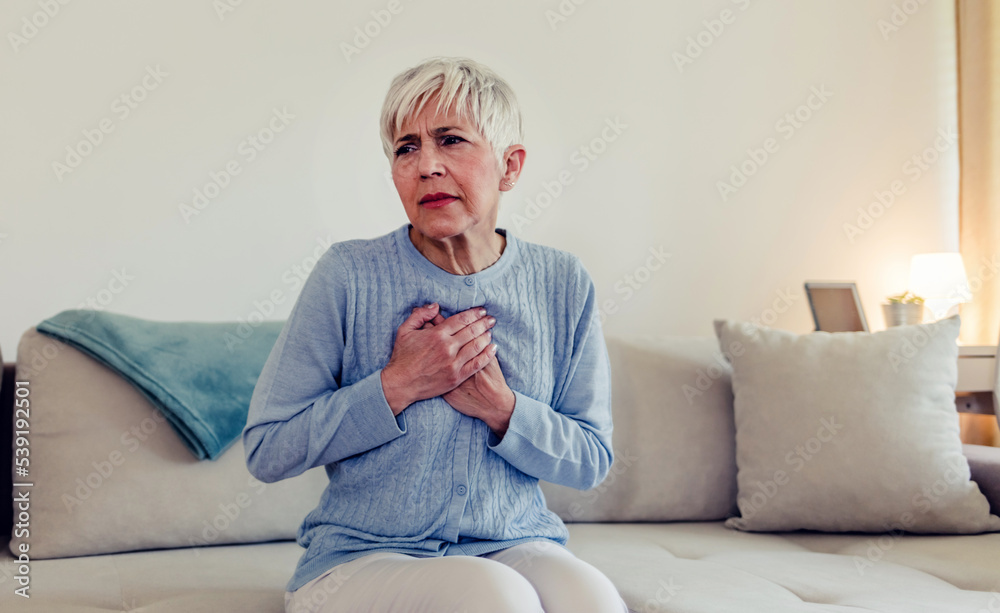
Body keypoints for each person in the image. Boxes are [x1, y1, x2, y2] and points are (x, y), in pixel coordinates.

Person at [243, 56, 626, 613]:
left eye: (450, 140)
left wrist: (503, 409)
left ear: (510, 166)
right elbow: (267, 448)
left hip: (513, 542)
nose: (426, 165)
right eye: (406, 148)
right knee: (494, 596)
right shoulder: (347, 274)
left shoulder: (562, 282)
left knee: (591, 597)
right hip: (361, 559)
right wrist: (399, 384)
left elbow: (590, 457)